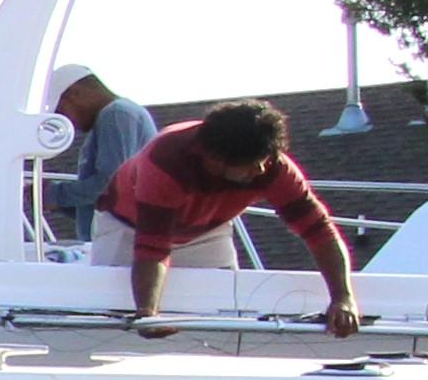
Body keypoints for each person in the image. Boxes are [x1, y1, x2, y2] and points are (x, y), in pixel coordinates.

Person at [91, 95, 359, 338]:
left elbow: (319, 230)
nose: (260, 169)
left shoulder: (272, 166)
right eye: (250, 164)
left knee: (222, 318)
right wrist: (148, 314)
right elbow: (153, 247)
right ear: (215, 159)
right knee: (116, 318)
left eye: (265, 158)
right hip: (128, 228)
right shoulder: (165, 161)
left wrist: (343, 298)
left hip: (207, 232)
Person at [43, 65, 155, 244]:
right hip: (117, 242)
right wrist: (57, 203)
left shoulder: (116, 114)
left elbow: (110, 185)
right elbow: (103, 204)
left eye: (61, 112)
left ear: (74, 94)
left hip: (119, 246)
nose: (67, 122)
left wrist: (54, 194)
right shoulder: (117, 115)